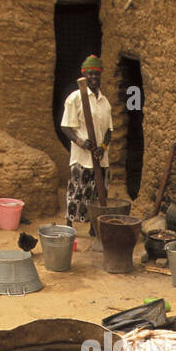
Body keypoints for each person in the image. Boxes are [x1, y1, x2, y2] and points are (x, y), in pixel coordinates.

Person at [60, 54, 112, 227]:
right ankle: (69, 227)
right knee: (77, 192)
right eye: (90, 74)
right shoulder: (75, 98)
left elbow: (109, 131)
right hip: (81, 157)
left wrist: (103, 147)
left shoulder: (105, 102)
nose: (93, 78)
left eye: (96, 74)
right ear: (84, 75)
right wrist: (81, 142)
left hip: (100, 157)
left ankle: (93, 228)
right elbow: (65, 127)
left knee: (98, 194)